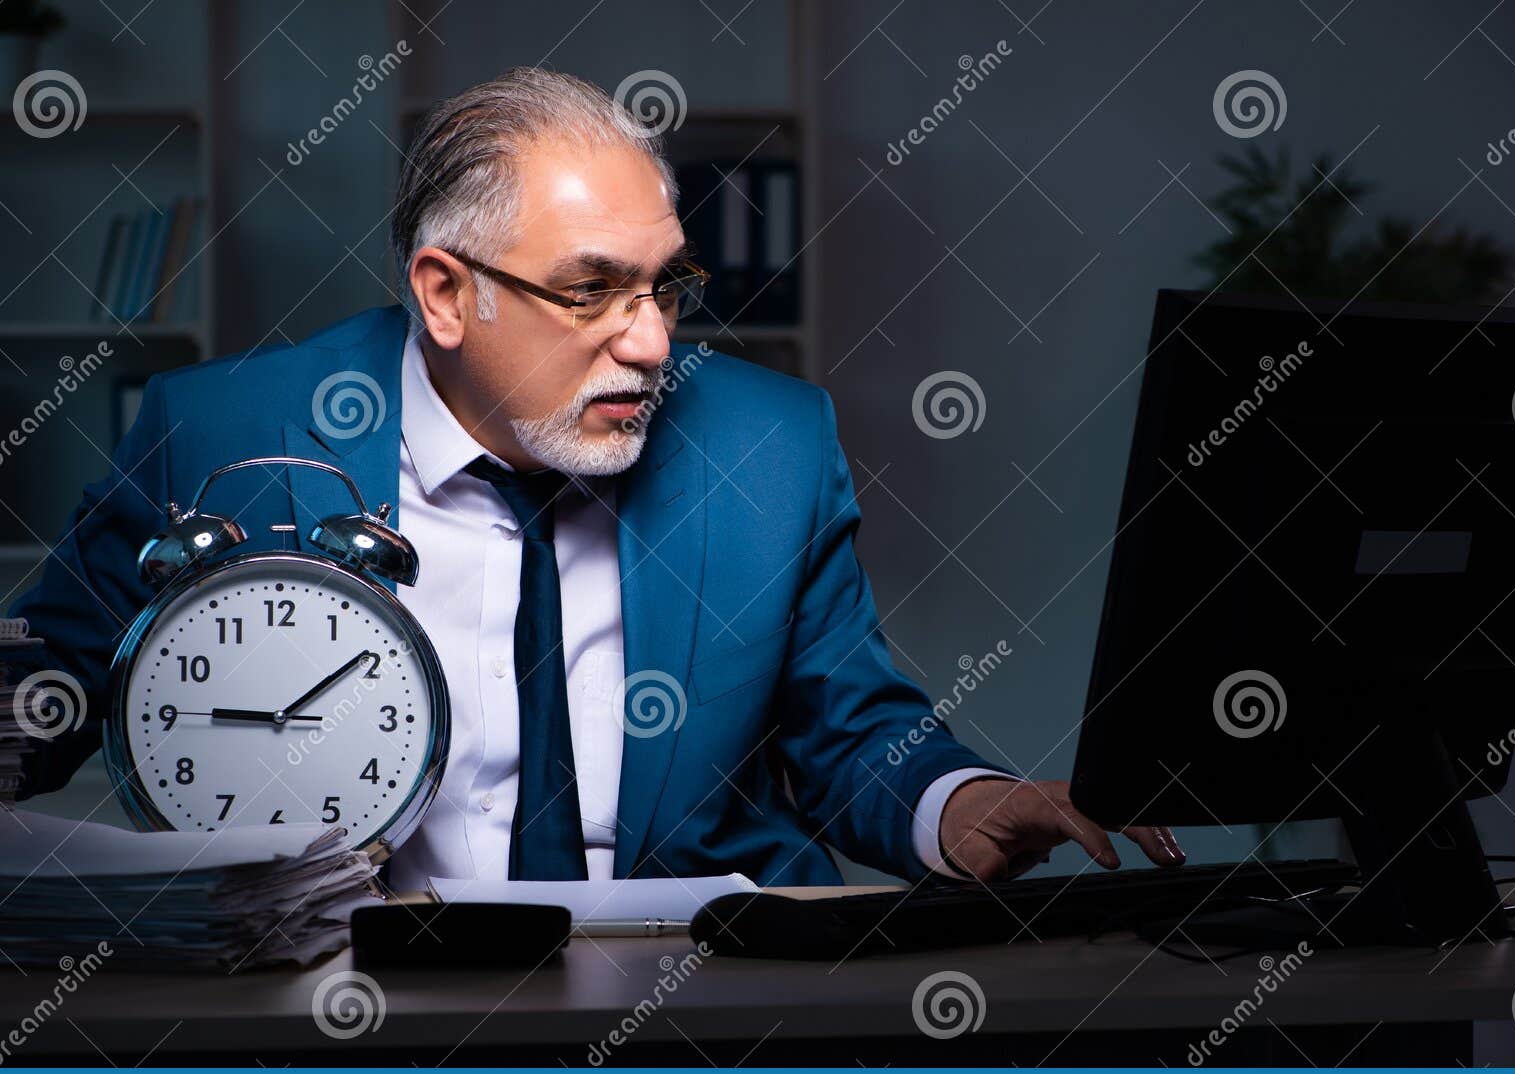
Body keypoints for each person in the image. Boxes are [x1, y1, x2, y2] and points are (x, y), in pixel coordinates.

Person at [12, 67, 1183, 889]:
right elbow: (57, 682)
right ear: (445, 291)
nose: (651, 343)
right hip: (353, 995)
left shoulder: (768, 445)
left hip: (702, 1002)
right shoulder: (221, 429)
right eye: (590, 292)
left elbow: (847, 725)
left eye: (665, 286)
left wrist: (958, 804)